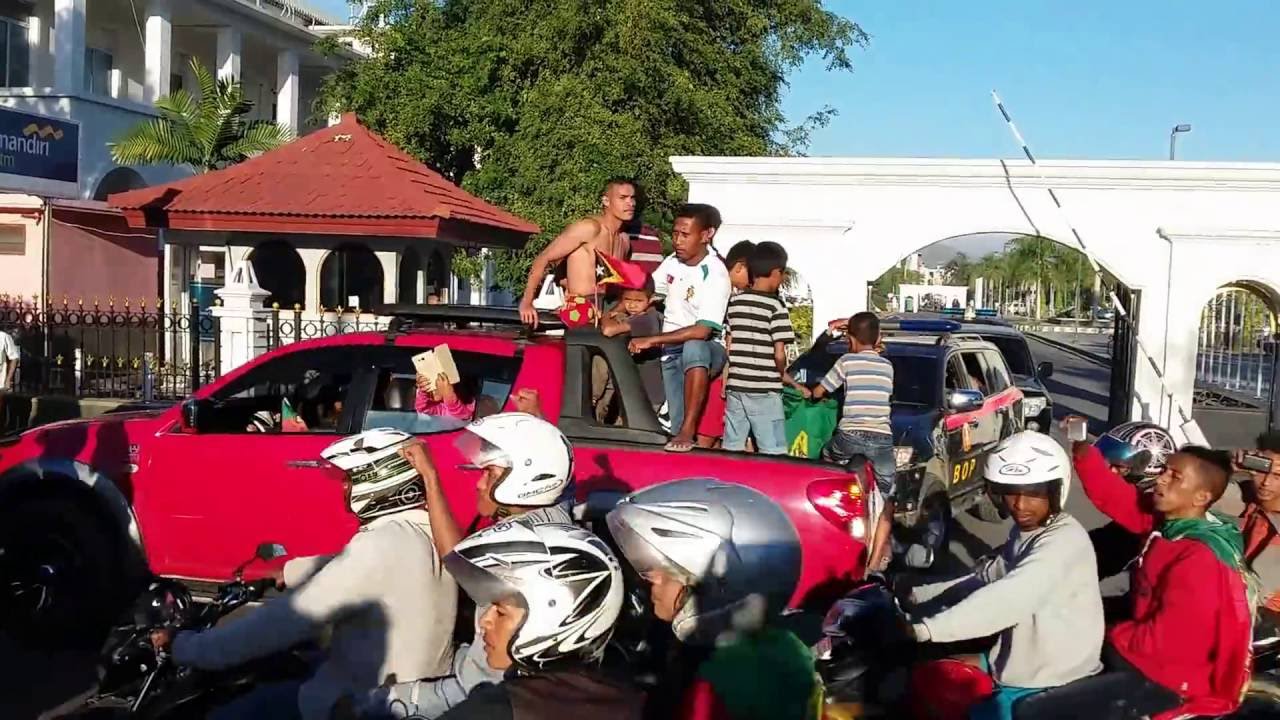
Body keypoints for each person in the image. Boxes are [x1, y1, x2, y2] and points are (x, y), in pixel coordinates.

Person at [150, 429, 458, 720]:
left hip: (359, 703)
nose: (343, 487)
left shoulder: (382, 544)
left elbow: (285, 621)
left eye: (349, 478)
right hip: (415, 693)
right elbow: (351, 565)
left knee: (232, 712)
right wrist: (290, 569)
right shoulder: (430, 533)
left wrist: (188, 647)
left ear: (378, 479)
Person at [358, 412, 577, 718]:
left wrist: (430, 477)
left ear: (523, 479)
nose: (478, 483)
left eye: (489, 473)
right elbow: (551, 466)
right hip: (490, 675)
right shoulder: (555, 516)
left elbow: (456, 560)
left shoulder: (521, 545)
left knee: (366, 706)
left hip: (479, 687)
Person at [905, 431, 1104, 720]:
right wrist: (915, 594)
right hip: (1021, 661)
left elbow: (1009, 597)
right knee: (928, 678)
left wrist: (927, 629)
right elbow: (986, 576)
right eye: (1010, 492)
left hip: (1052, 679)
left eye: (1034, 493)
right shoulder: (1025, 533)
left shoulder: (1063, 542)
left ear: (1055, 491)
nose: (1020, 505)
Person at [1063, 427, 1254, 719]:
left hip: (1170, 676)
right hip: (1143, 636)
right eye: (1165, 470)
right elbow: (1118, 498)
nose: (1161, 479)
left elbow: (1167, 642)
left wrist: (1105, 633)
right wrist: (1083, 450)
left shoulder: (1197, 557)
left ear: (1201, 496)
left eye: (1174, 477)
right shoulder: (1173, 523)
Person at [605, 478, 820, 720]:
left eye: (664, 569)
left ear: (719, 586)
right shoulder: (772, 649)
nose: (650, 578)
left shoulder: (728, 680)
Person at [430, 521, 641, 720]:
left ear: (550, 619)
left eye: (501, 612)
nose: (485, 621)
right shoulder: (629, 700)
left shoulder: (499, 709)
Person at [629, 204, 732, 453]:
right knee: (672, 422)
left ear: (707, 235)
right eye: (675, 234)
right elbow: (649, 290)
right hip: (671, 351)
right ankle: (677, 433)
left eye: (685, 235)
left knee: (694, 348)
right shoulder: (672, 262)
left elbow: (702, 331)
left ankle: (688, 429)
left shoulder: (715, 273)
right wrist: (617, 313)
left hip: (706, 350)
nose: (677, 241)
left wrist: (651, 340)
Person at [810, 311, 896, 575]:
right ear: (878, 337)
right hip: (882, 440)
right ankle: (874, 564)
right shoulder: (887, 366)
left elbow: (819, 391)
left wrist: (814, 393)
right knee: (888, 498)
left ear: (850, 338)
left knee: (826, 458)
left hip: (849, 437)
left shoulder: (846, 361)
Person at [518, 178, 637, 329]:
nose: (630, 203)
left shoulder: (624, 240)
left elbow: (619, 282)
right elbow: (544, 258)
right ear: (606, 201)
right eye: (622, 198)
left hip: (608, 309)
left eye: (632, 198)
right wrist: (527, 302)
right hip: (581, 309)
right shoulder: (589, 228)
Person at [722, 242, 805, 455]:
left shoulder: (735, 303)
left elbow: (729, 347)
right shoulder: (776, 307)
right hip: (765, 389)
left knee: (733, 445)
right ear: (776, 272)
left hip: (736, 386)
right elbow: (779, 354)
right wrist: (780, 372)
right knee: (773, 448)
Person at [598, 278, 664, 419]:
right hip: (633, 392)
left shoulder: (647, 320)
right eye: (627, 300)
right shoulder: (636, 316)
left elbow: (609, 330)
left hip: (647, 394)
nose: (632, 305)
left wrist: (605, 316)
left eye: (638, 301)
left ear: (651, 299)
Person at [1236, 430, 1280, 612]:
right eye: (1261, 471)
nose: (1266, 482)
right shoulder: (1243, 500)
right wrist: (1229, 465)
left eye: (1278, 477)